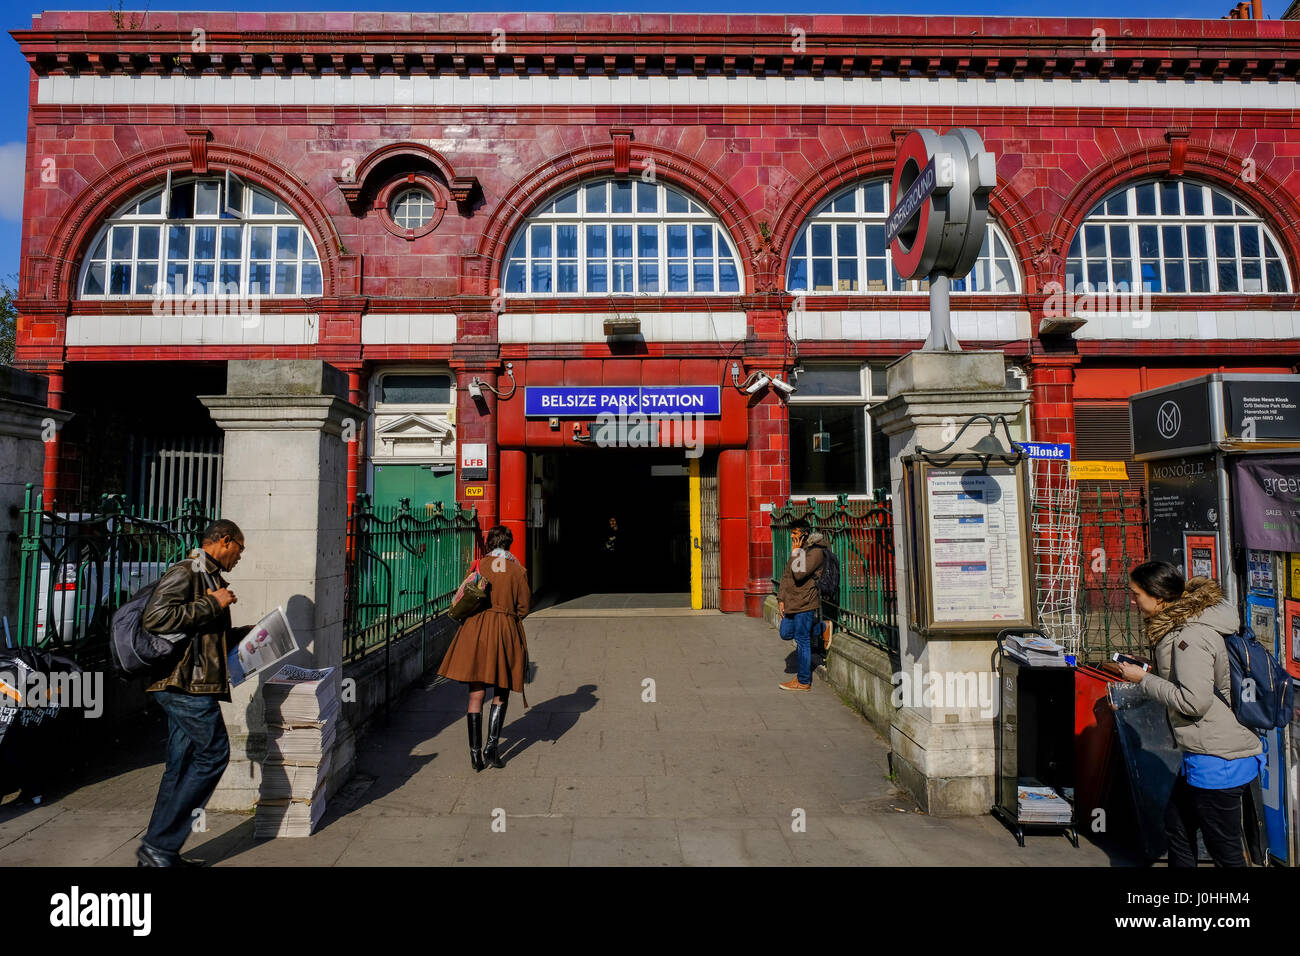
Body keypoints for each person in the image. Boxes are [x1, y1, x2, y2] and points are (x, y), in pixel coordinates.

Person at [1117, 561, 1264, 867]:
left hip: (1217, 758)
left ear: (1158, 597)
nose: (1133, 601)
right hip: (1202, 753)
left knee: (1225, 852)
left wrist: (1143, 680)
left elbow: (1194, 702)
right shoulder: (1179, 629)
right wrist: (1151, 670)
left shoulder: (1189, 636)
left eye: (1136, 594)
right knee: (1178, 829)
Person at [138, 519, 250, 867]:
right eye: (239, 550)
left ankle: (159, 854)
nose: (240, 557)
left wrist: (250, 634)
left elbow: (202, 637)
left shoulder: (211, 575)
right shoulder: (189, 569)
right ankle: (158, 846)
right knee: (214, 755)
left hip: (189, 682)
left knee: (180, 765)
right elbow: (155, 618)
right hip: (184, 684)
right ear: (224, 541)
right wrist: (212, 604)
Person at [438, 525, 531, 770]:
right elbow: (524, 608)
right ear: (509, 544)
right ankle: (492, 747)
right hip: (504, 632)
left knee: (476, 692)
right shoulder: (518, 570)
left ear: (489, 543)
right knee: (502, 689)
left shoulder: (478, 565)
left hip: (476, 632)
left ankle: (474, 754)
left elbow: (466, 596)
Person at [775, 518, 825, 691]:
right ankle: (822, 627)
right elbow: (787, 575)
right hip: (791, 601)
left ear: (804, 534)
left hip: (805, 601)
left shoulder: (816, 551)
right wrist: (781, 598)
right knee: (786, 632)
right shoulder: (797, 549)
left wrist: (796, 553)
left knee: (802, 639)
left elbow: (799, 574)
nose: (791, 536)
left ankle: (803, 681)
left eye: (795, 533)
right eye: (791, 533)